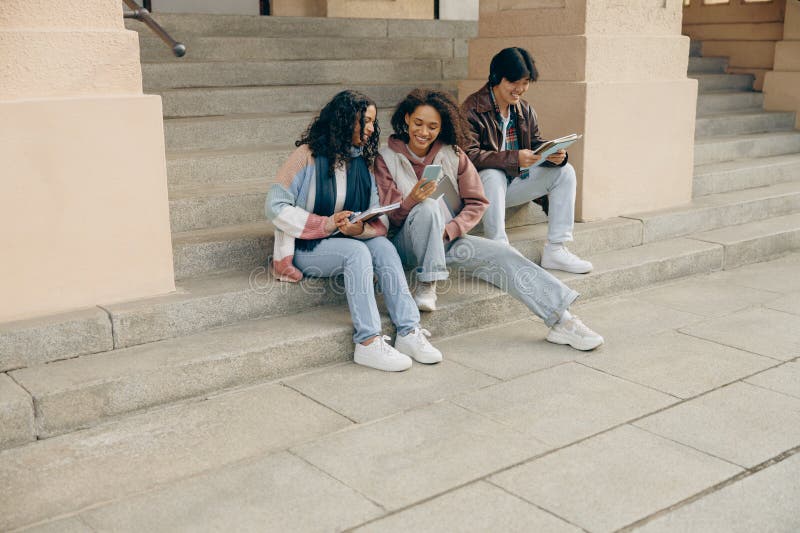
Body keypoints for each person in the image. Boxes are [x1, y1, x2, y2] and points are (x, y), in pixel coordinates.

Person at [374, 88, 603, 351]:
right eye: (418, 123)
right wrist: (412, 200)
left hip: (446, 239)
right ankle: (428, 282)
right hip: (405, 245)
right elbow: (388, 217)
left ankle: (563, 320)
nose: (424, 132)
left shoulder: (454, 154)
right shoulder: (386, 158)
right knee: (426, 207)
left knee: (503, 254)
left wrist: (451, 229)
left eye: (432, 126)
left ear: (441, 127)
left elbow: (477, 202)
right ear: (406, 119)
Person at [265, 90, 443, 371]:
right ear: (345, 120)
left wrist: (359, 227)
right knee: (357, 253)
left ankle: (409, 331)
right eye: (366, 121)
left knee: (382, 247)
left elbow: (375, 213)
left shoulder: (362, 162)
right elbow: (275, 206)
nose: (371, 128)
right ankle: (368, 341)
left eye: (373, 122)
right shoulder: (305, 156)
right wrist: (326, 224)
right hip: (306, 246)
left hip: (346, 238)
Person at [461, 46, 593, 274]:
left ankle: (556, 250)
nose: (520, 89)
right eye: (514, 82)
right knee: (492, 174)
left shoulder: (524, 110)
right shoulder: (471, 109)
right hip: (483, 191)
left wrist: (553, 155)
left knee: (566, 171)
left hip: (514, 185)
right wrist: (514, 158)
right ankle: (499, 251)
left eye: (525, 82)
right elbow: (469, 155)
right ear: (496, 77)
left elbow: (533, 143)